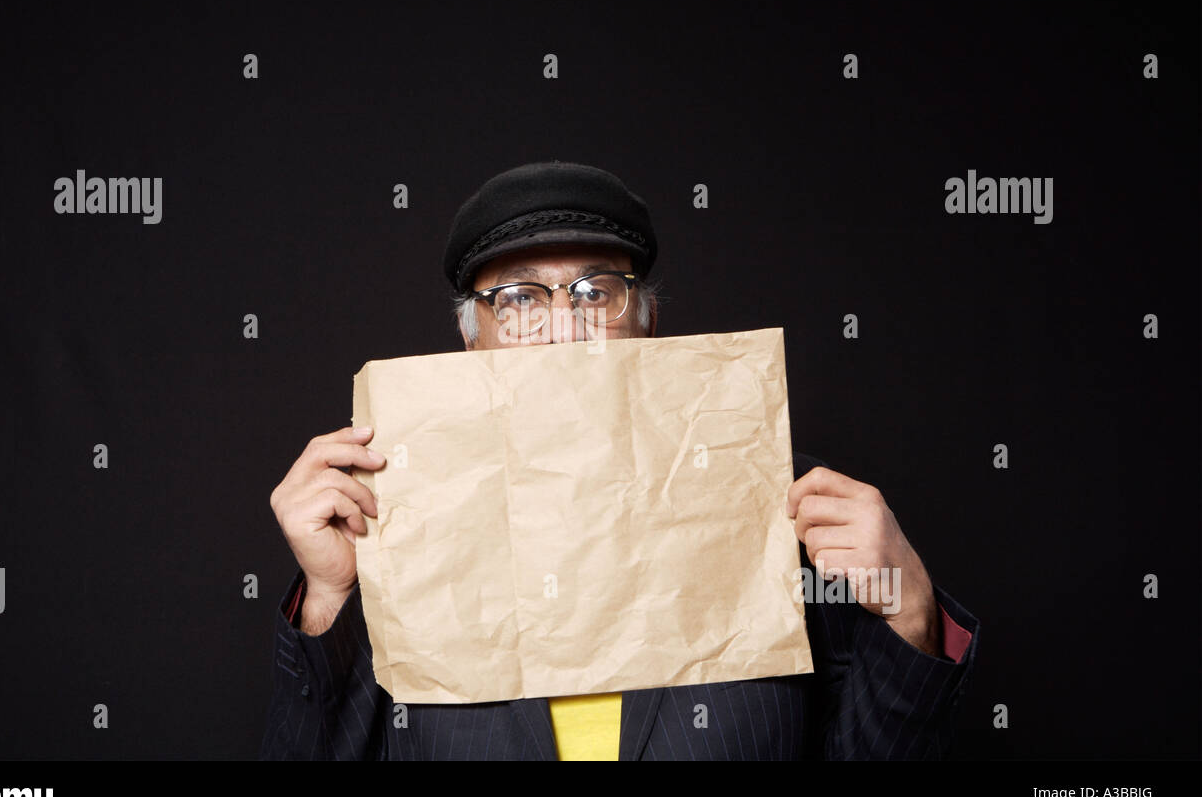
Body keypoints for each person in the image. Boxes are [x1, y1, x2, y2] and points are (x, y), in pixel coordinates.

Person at [260, 160, 978, 760]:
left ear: (647, 324)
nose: (561, 324)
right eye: (517, 298)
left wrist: (909, 620)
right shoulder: (393, 526)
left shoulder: (784, 510)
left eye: (596, 291)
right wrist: (329, 601)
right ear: (472, 343)